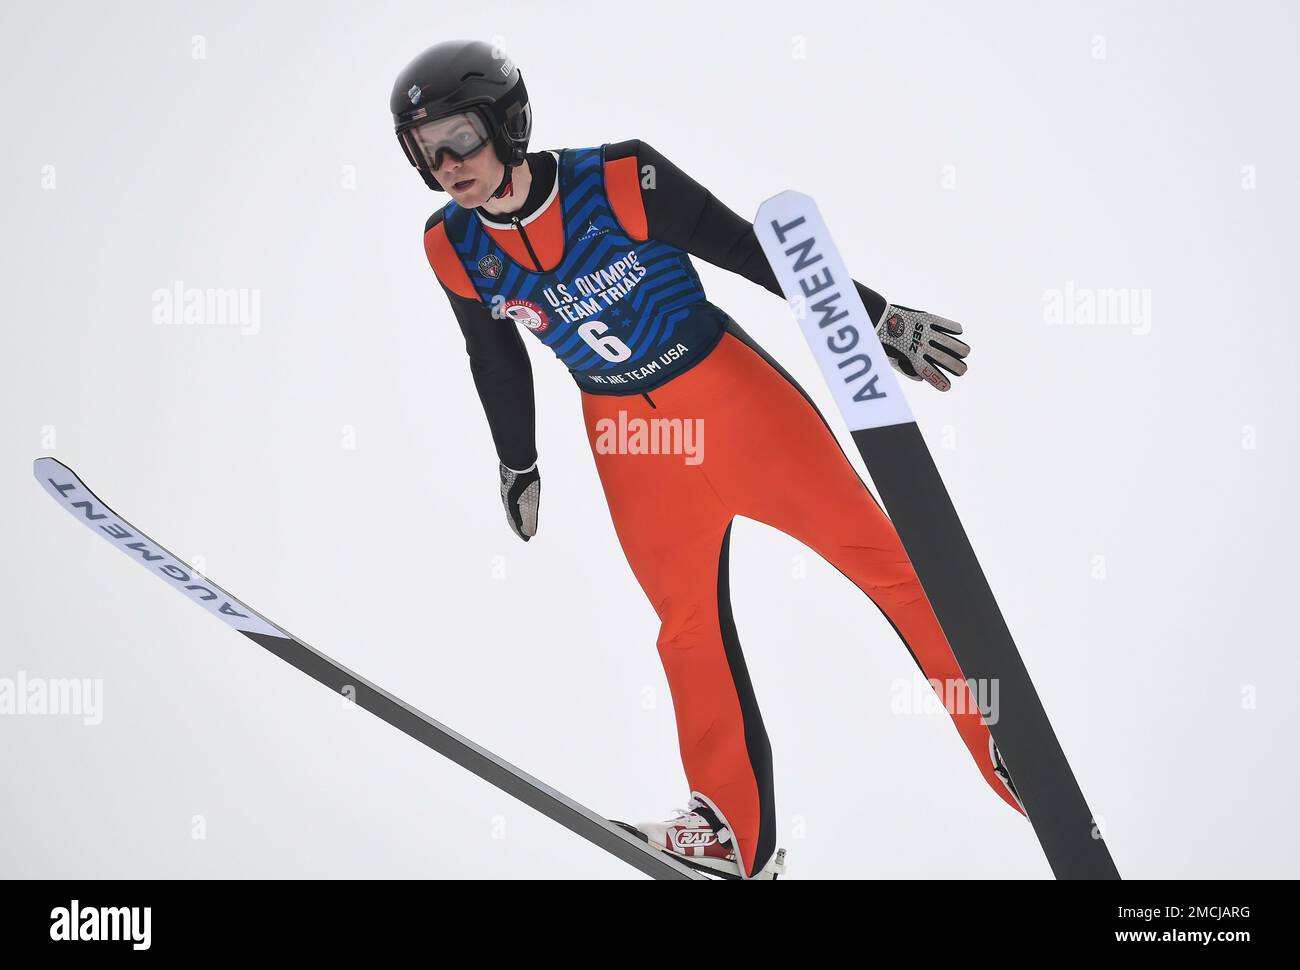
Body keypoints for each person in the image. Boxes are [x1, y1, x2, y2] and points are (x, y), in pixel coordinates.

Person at [392, 39, 1022, 880]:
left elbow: (751, 251)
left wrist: (872, 316)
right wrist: (519, 462)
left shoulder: (619, 180)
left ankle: (1004, 743)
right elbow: (493, 355)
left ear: (508, 124)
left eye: (460, 139)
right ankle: (732, 832)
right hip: (629, 443)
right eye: (425, 151)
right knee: (684, 628)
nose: (447, 167)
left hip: (734, 405)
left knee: (889, 566)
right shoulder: (451, 246)